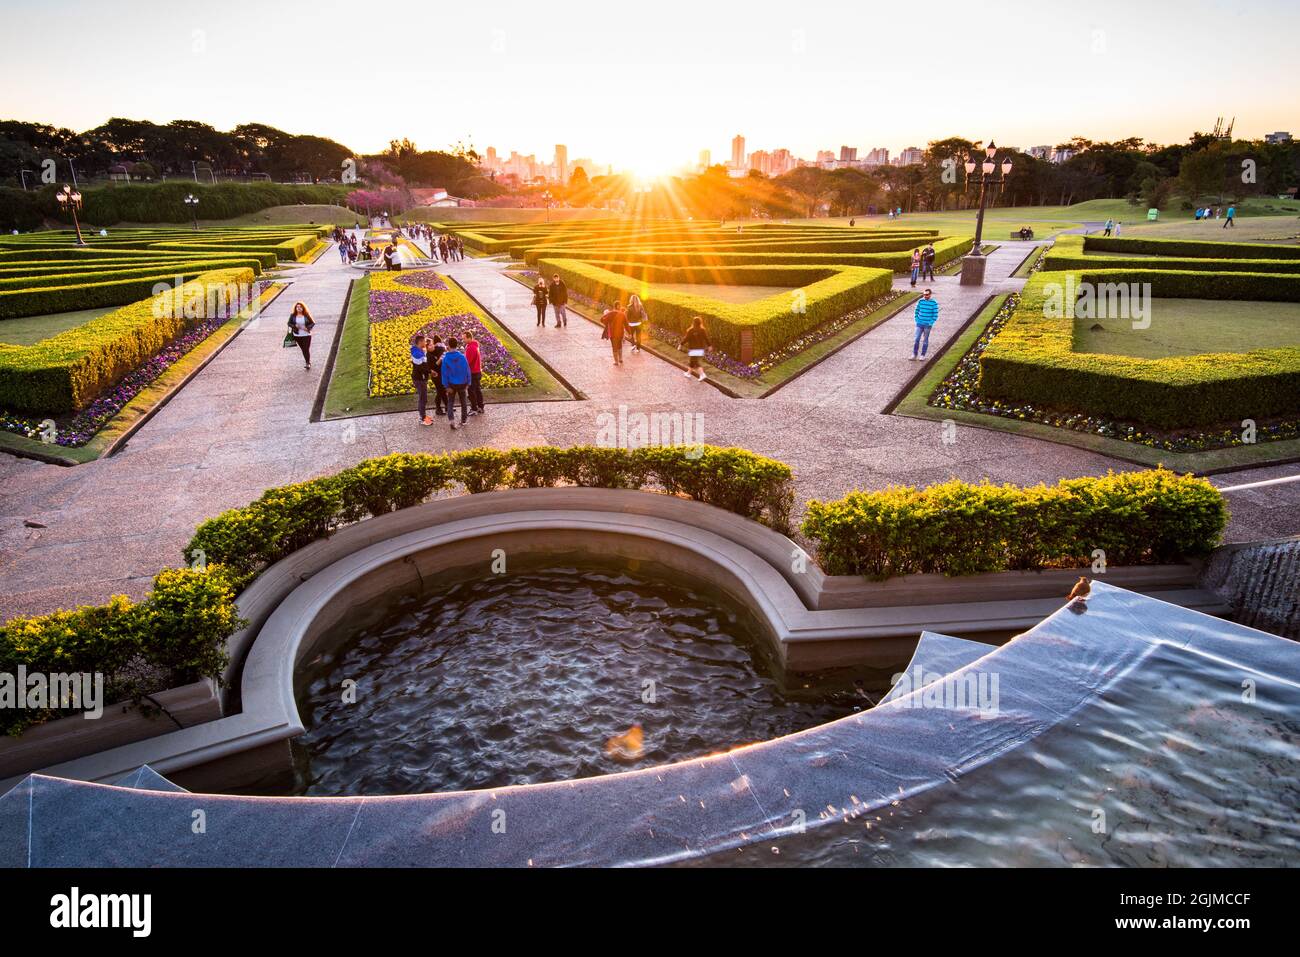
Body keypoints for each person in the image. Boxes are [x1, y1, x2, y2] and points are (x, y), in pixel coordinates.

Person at [440, 337, 471, 429]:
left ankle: (451, 420)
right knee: (463, 402)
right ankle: (464, 420)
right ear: (456, 345)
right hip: (462, 383)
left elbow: (444, 373)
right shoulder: (462, 357)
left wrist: (446, 386)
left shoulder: (445, 358)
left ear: (448, 346)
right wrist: (468, 382)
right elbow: (467, 370)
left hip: (451, 384)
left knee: (450, 402)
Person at [410, 334, 434, 426]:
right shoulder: (417, 353)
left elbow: (423, 365)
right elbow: (421, 368)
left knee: (423, 398)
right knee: (422, 398)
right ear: (420, 342)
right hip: (419, 379)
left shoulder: (418, 351)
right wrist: (430, 372)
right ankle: (422, 418)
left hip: (421, 378)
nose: (425, 343)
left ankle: (423, 416)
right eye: (424, 341)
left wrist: (429, 371)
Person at [681, 316, 711, 382]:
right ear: (700, 323)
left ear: (693, 323)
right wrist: (709, 346)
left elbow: (686, 339)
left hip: (693, 349)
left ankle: (702, 374)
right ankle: (688, 373)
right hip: (700, 349)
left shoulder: (691, 330)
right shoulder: (703, 330)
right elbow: (706, 338)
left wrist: (681, 344)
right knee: (692, 361)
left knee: (695, 362)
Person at [286, 301, 315, 369]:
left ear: (303, 308)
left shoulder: (306, 315)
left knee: (306, 349)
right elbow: (289, 323)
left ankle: (308, 363)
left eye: (300, 307)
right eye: (297, 307)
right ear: (295, 308)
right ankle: (307, 361)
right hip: (297, 336)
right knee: (303, 349)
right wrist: (295, 326)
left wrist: (307, 328)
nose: (299, 308)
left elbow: (313, 323)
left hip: (306, 335)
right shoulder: (293, 315)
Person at [911, 289, 938, 360]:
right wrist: (916, 319)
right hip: (919, 323)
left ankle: (923, 355)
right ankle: (914, 354)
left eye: (927, 295)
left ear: (930, 294)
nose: (925, 296)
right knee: (916, 339)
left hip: (927, 325)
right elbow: (916, 310)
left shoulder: (934, 303)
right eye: (924, 294)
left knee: (925, 340)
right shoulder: (920, 301)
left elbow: (935, 315)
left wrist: (930, 323)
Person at [601, 302, 627, 366]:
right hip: (620, 333)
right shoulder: (621, 314)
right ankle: (620, 359)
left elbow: (602, 320)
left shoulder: (611, 314)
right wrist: (628, 333)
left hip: (613, 334)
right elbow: (625, 324)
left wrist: (605, 316)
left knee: (614, 347)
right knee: (619, 346)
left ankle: (616, 362)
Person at [465, 331, 485, 415]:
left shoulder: (470, 348)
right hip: (477, 372)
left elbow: (467, 362)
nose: (463, 340)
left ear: (469, 337)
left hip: (473, 372)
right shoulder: (475, 346)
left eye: (464, 338)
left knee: (471, 391)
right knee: (477, 390)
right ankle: (480, 406)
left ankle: (474, 409)